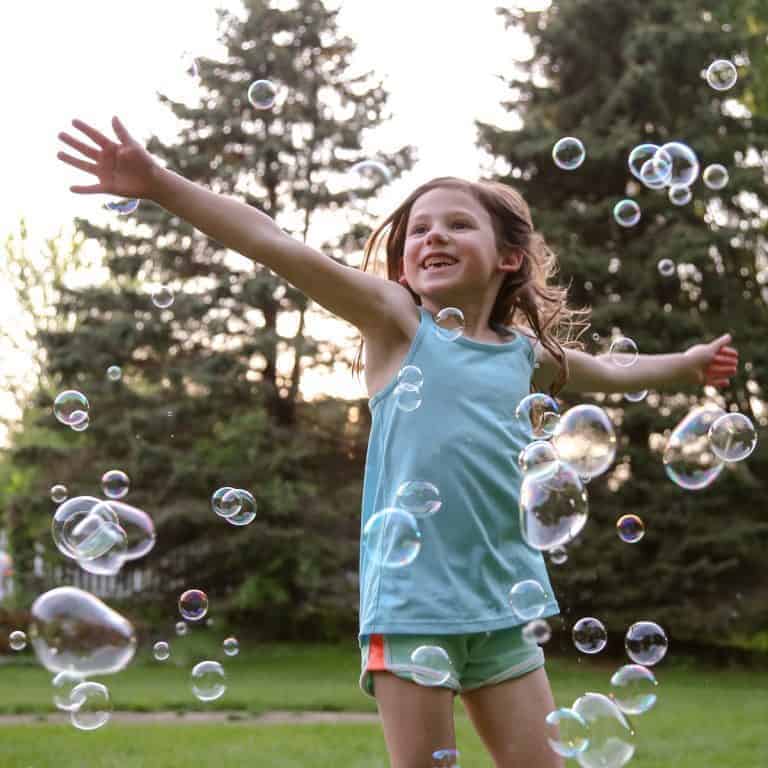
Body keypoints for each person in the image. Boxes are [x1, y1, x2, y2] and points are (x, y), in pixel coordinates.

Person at [57, 116, 739, 768]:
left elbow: (612, 373)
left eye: (458, 224)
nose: (434, 235)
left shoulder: (523, 355)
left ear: (508, 257)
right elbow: (275, 244)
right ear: (404, 262)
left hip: (506, 601)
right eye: (419, 229)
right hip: (413, 604)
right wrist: (161, 184)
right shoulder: (399, 323)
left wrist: (687, 364)